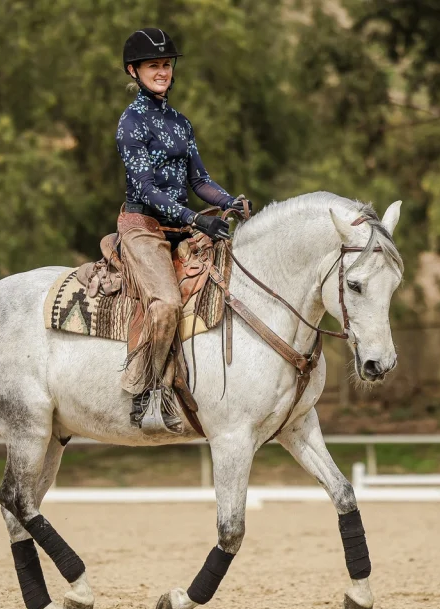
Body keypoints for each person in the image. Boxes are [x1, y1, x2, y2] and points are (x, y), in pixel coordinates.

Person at [116, 27, 250, 434]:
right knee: (168, 304)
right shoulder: (131, 122)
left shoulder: (181, 123)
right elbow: (145, 188)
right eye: (153, 65)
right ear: (133, 71)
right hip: (143, 227)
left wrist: (228, 201)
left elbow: (200, 181)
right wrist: (195, 219)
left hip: (180, 226)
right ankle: (148, 391)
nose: (162, 72)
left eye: (166, 65)